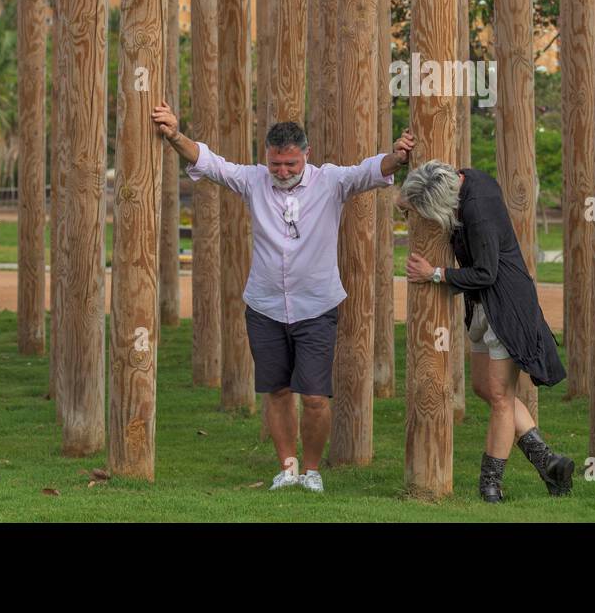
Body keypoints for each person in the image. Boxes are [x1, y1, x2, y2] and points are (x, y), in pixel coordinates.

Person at [152, 102, 414, 493]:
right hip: (265, 305)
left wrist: (397, 157)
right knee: (275, 391)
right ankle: (287, 467)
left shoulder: (330, 181)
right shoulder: (253, 180)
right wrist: (174, 135)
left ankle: (311, 471)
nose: (283, 172)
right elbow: (209, 162)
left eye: (291, 164)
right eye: (276, 164)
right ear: (267, 158)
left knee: (313, 396)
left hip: (316, 307)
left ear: (305, 155)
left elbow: (370, 171)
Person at [398, 160, 573, 503]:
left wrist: (434, 273)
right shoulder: (466, 178)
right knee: (485, 388)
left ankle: (490, 485)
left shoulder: (477, 212)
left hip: (505, 308)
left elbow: (486, 273)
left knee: (499, 398)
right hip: (481, 307)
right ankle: (549, 463)